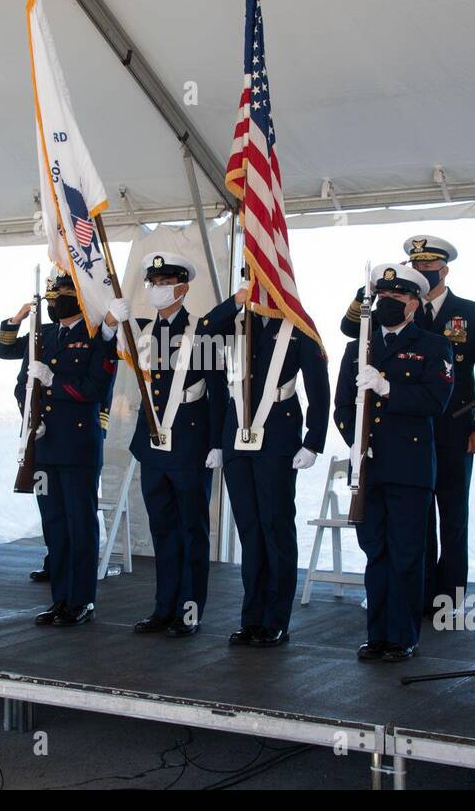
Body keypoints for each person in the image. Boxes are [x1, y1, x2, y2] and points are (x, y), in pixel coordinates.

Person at [339, 235, 475, 616]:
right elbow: (350, 331)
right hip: (401, 433)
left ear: (444, 270)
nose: (424, 271)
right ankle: (419, 594)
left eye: (429, 266)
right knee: (416, 519)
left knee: (453, 514)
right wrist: (369, 291)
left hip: (455, 429)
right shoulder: (395, 309)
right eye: (418, 265)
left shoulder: (471, 313)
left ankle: (449, 597)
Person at [200, 279, 330, 647]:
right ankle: (252, 617)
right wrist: (234, 302)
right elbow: (202, 335)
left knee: (275, 528)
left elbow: (318, 386)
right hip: (236, 437)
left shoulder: (297, 325)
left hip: (277, 436)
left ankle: (276, 619)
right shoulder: (238, 324)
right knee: (249, 530)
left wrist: (314, 441)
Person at [334, 265, 453, 660]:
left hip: (408, 469)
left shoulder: (434, 346)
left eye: (396, 298)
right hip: (369, 468)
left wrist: (388, 388)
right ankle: (378, 635)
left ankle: (403, 638)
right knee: (376, 554)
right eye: (382, 297)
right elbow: (341, 407)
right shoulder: (358, 347)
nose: (387, 303)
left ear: (414, 304)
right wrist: (356, 443)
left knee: (405, 555)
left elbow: (435, 402)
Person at [105, 253, 226, 637]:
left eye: (164, 282)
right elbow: (105, 350)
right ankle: (163, 607)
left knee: (192, 530)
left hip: (190, 443)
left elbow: (218, 392)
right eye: (153, 283)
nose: (157, 289)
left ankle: (189, 611)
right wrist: (112, 323)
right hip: (153, 445)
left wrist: (217, 442)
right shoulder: (141, 332)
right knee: (163, 531)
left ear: (182, 287)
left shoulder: (201, 332)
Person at [11, 273, 118, 627]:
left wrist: (54, 383)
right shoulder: (43, 335)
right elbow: (21, 386)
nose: (56, 301)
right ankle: (60, 598)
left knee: (79, 525)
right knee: (54, 525)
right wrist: (32, 417)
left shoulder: (95, 337)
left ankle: (82, 600)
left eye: (63, 295)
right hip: (45, 445)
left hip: (77, 445)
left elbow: (94, 390)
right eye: (53, 296)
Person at [0, 301, 52, 584]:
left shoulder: (87, 333)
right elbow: (4, 350)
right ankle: (53, 556)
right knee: (47, 502)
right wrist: (18, 318)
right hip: (37, 426)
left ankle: (68, 562)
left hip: (72, 430)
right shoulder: (40, 334)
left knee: (72, 506)